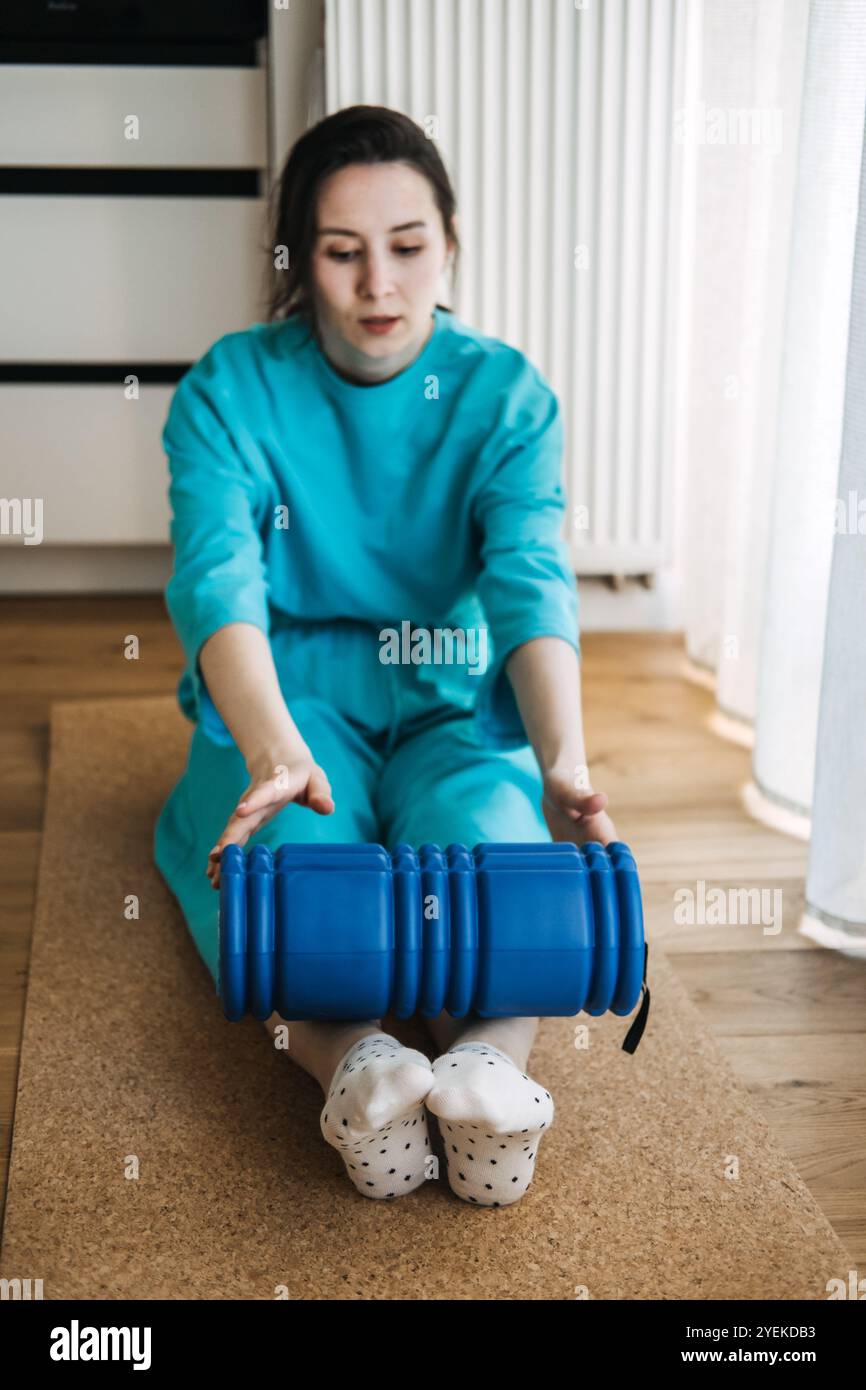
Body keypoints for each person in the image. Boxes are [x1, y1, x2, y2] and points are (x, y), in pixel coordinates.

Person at [154, 104, 616, 1208]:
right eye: (341, 251)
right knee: (295, 882)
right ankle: (356, 1067)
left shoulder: (504, 395)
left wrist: (562, 760)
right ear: (296, 259)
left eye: (407, 248)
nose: (379, 286)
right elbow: (218, 579)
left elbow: (526, 579)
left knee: (501, 864)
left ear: (448, 244)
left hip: (451, 702)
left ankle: (490, 1082)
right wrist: (271, 751)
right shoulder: (229, 389)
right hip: (294, 702)